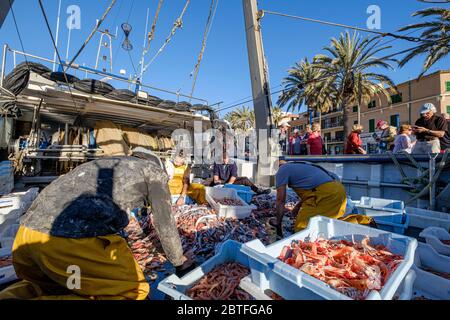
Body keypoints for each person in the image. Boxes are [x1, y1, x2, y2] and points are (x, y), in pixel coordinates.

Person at [0, 151, 190, 300]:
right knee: (133, 290)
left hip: (26, 238)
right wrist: (179, 262)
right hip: (63, 241)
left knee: (52, 285)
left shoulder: (112, 164)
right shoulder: (154, 173)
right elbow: (165, 223)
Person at [271, 161, 373, 236]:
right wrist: (297, 207)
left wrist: (278, 222)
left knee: (302, 229)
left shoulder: (282, 170)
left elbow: (280, 199)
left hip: (326, 194)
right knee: (329, 221)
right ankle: (361, 223)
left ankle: (363, 223)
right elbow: (312, 188)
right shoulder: (301, 165)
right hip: (338, 190)